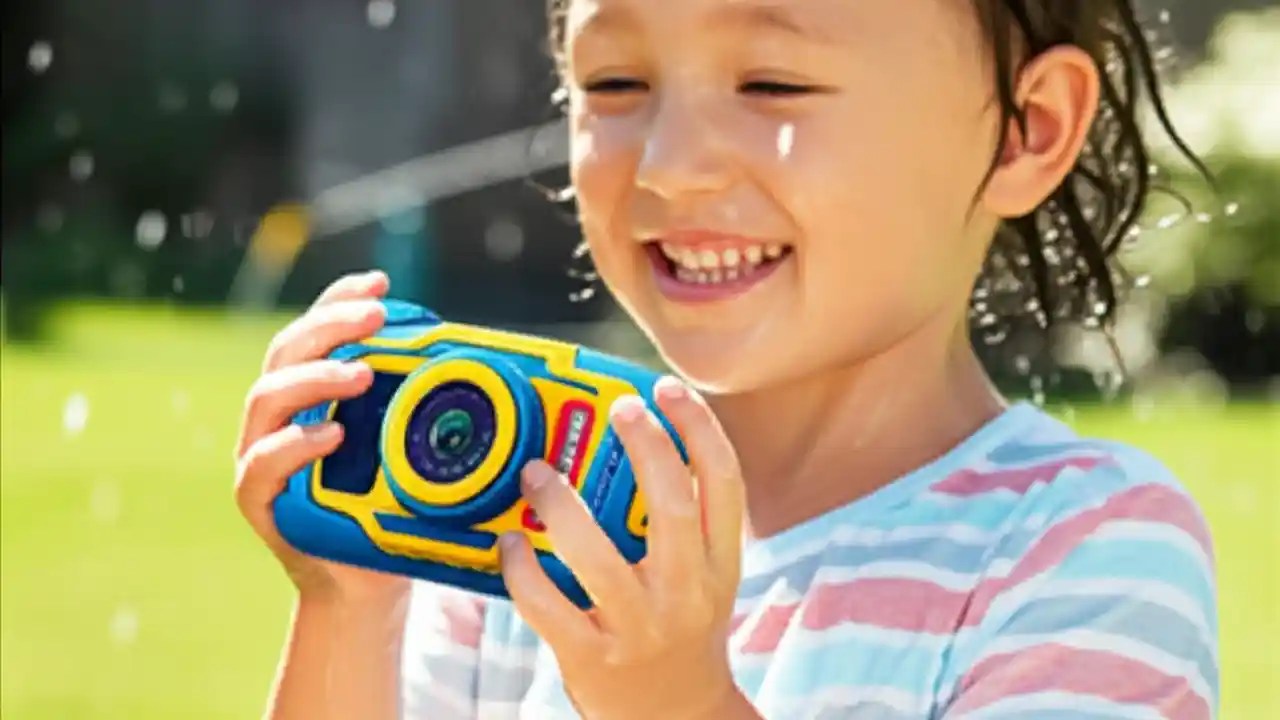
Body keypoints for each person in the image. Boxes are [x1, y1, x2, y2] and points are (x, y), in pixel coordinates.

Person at [234, 1, 1219, 718]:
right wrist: (348, 609)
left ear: (1023, 129)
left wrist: (673, 704)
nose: (667, 164)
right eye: (613, 84)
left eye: (770, 83)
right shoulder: (522, 515)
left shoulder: (1078, 549)